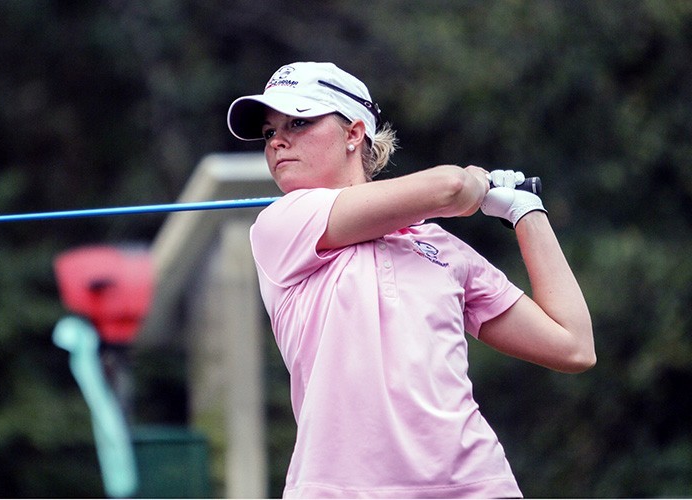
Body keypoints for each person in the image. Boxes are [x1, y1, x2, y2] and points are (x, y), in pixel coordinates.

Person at [227, 61, 595, 498]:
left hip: (473, 485)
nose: (278, 142)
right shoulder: (283, 223)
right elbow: (450, 188)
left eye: (299, 122)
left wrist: (525, 212)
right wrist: (474, 181)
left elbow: (573, 346)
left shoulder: (441, 247)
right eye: (270, 132)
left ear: (353, 133)